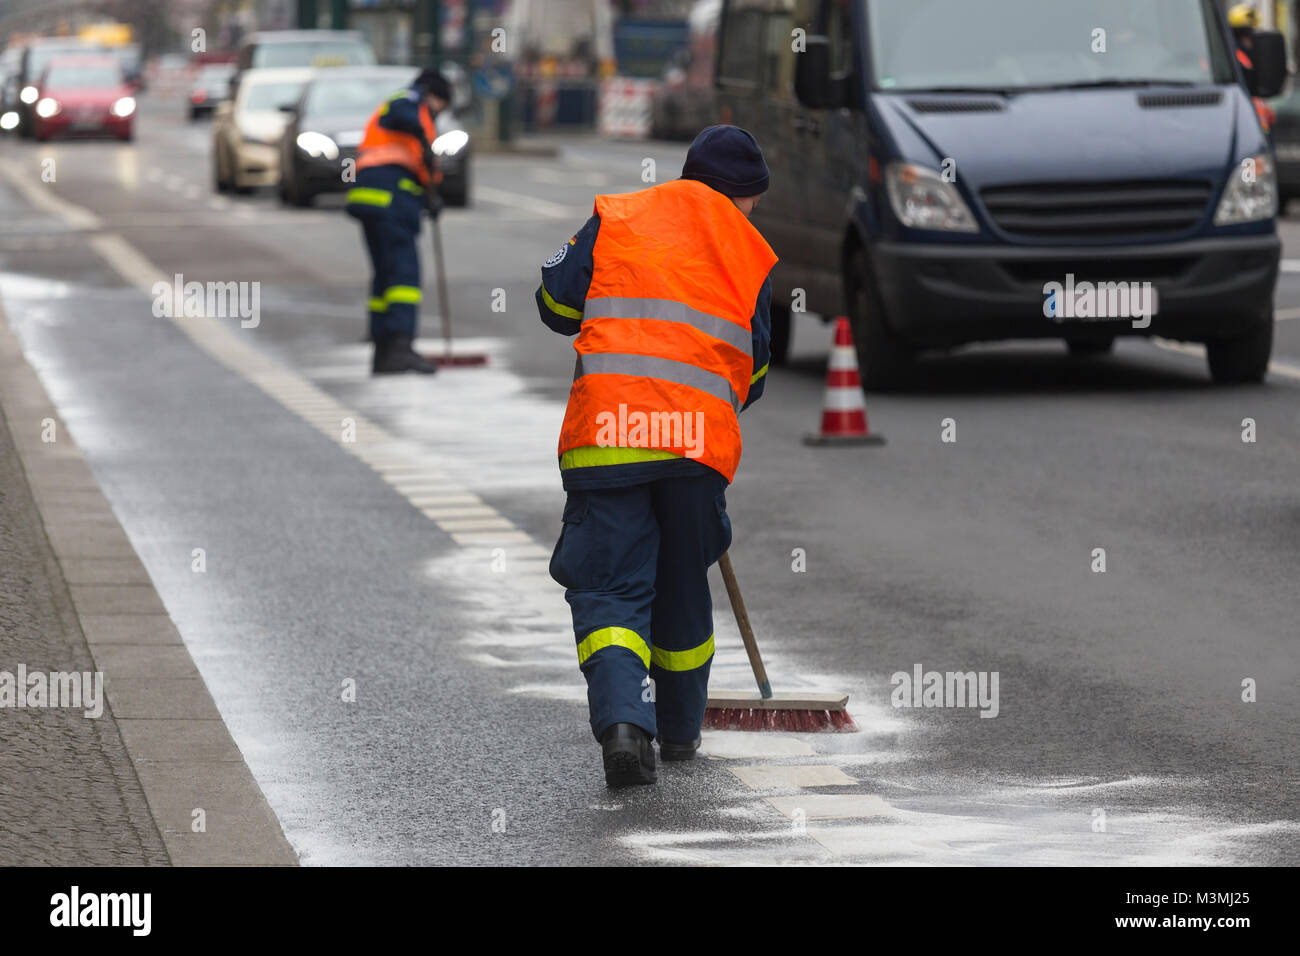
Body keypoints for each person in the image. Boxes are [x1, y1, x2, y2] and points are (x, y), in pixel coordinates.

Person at [535, 126, 778, 787]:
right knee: (680, 581)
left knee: (611, 586)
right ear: (744, 196)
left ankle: (622, 724)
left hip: (608, 435)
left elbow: (556, 303)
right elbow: (753, 377)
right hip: (696, 448)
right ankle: (677, 732)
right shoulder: (748, 251)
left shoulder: (618, 215)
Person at [346, 68, 450, 374]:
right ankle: (400, 348)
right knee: (404, 275)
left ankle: (382, 350)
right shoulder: (410, 99)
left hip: (372, 196)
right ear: (434, 96)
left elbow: (416, 160)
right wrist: (423, 138)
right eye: (441, 106)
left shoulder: (414, 110)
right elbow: (401, 114)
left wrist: (431, 197)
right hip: (390, 197)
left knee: (385, 275)